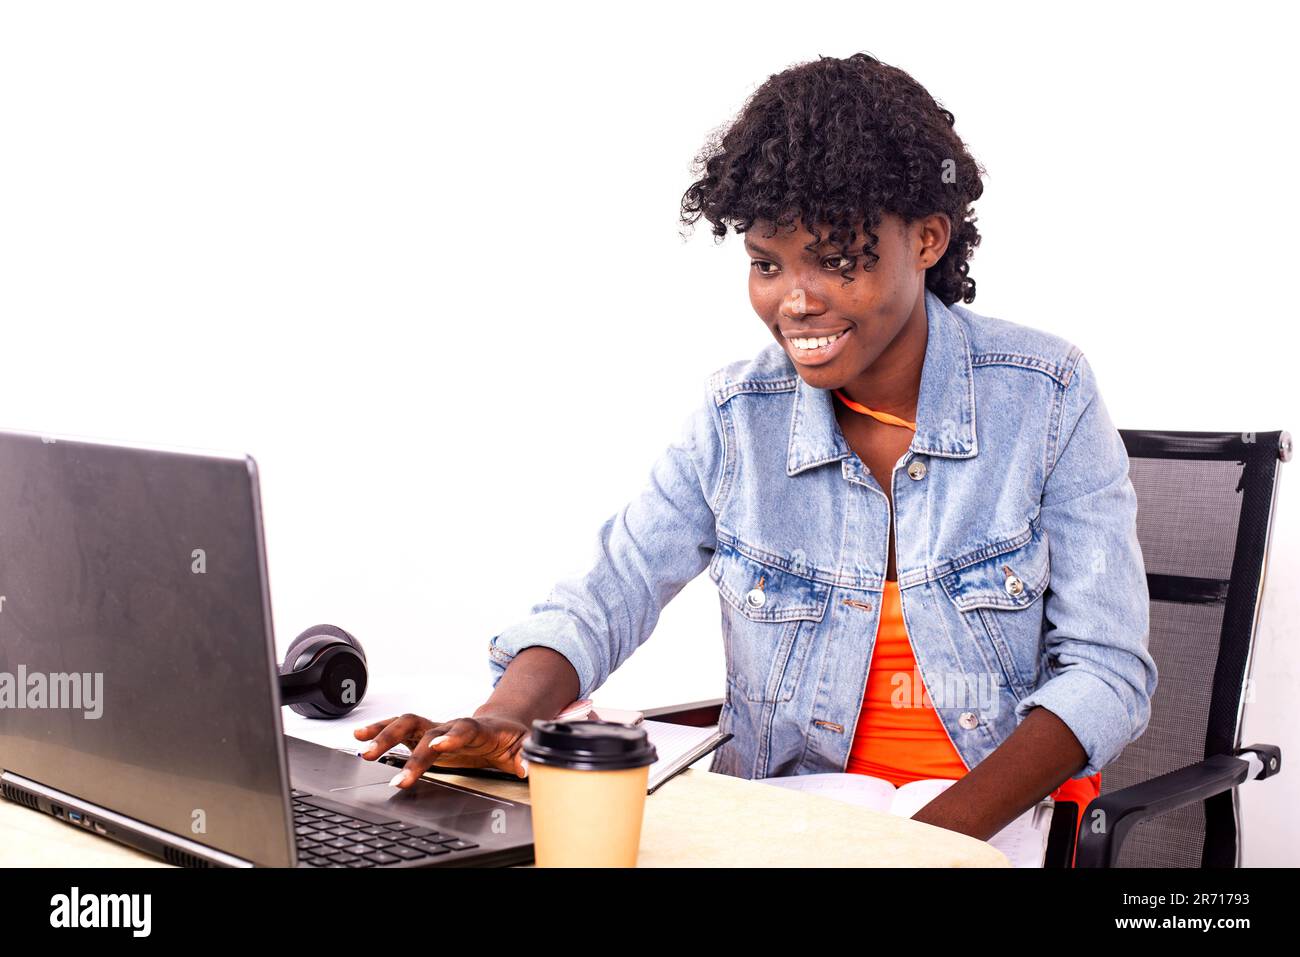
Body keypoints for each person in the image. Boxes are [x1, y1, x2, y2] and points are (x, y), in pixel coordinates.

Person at [354, 52, 1157, 864]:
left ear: (927, 239)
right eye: (768, 264)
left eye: (838, 259)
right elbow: (613, 586)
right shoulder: (739, 417)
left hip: (988, 823)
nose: (796, 300)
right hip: (789, 823)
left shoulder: (1047, 395)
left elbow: (1107, 672)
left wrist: (921, 847)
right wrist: (508, 714)